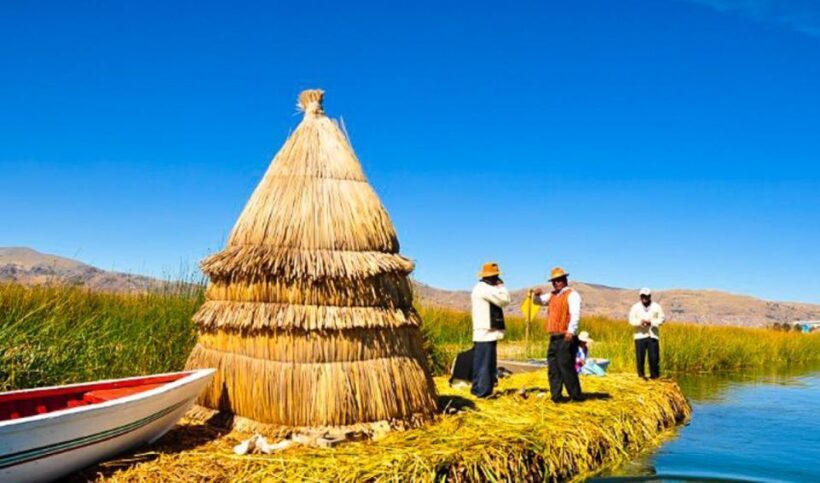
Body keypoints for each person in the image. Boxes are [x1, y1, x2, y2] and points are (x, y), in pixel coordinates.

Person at [533, 267, 584, 403]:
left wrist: (571, 331)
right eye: (554, 281)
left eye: (559, 280)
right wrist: (536, 295)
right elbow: (537, 302)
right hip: (554, 337)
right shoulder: (552, 295)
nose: (556, 283)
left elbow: (575, 315)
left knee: (566, 366)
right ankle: (556, 396)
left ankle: (576, 396)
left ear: (565, 280)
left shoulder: (572, 295)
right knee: (553, 367)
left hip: (565, 335)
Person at [470, 262, 510, 398]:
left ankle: (479, 389)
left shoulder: (481, 288)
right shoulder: (484, 288)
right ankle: (483, 392)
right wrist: (501, 286)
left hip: (485, 331)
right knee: (485, 363)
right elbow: (504, 300)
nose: (496, 279)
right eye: (495, 277)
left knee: (483, 362)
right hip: (486, 332)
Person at [628, 288, 666, 379]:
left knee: (654, 358)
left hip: (653, 336)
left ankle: (655, 377)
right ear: (640, 296)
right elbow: (631, 320)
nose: (644, 298)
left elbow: (662, 319)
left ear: (650, 296)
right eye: (642, 296)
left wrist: (652, 322)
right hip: (639, 336)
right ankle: (641, 377)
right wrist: (639, 322)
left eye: (646, 296)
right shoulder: (635, 307)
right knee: (640, 358)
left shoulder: (657, 306)